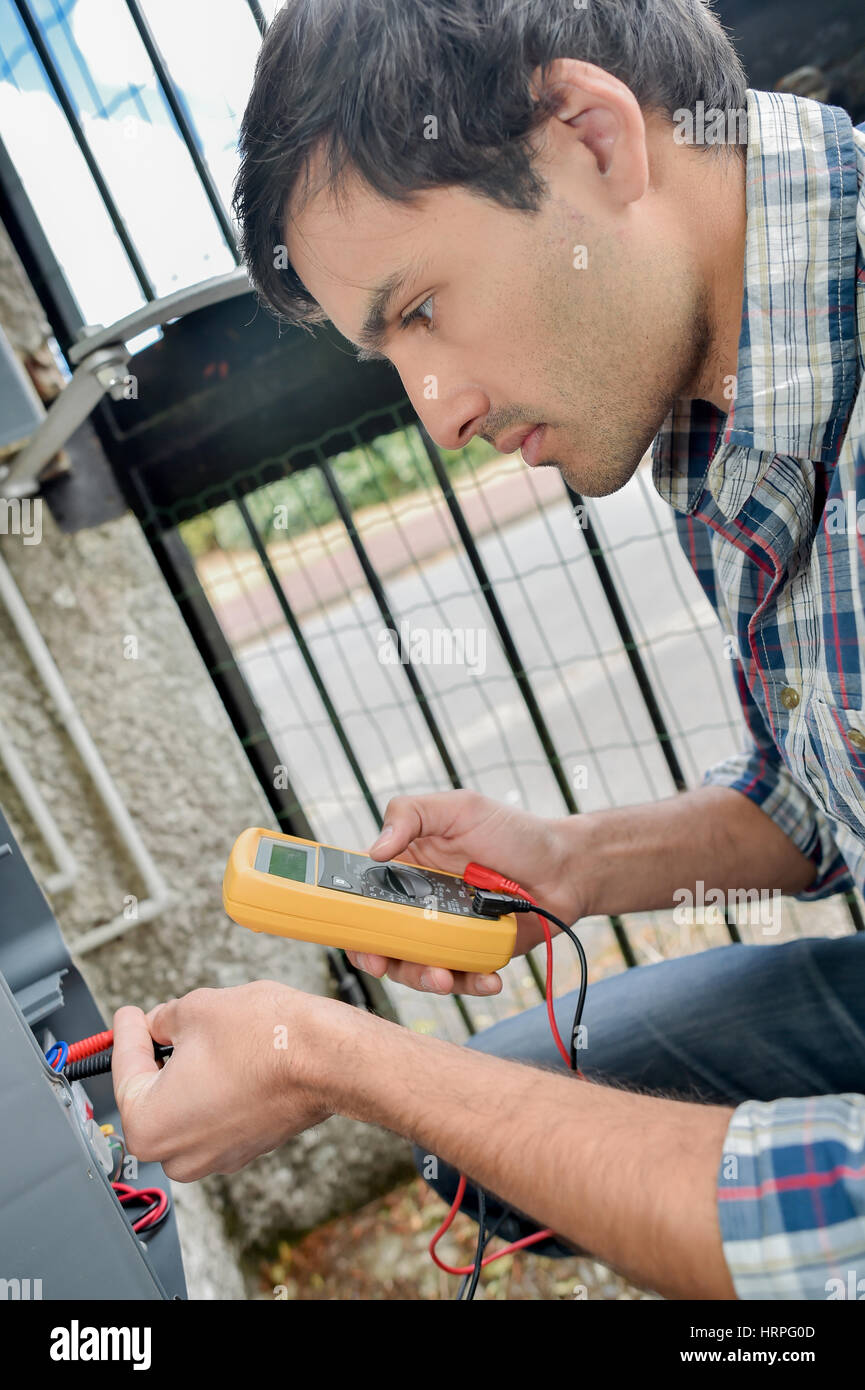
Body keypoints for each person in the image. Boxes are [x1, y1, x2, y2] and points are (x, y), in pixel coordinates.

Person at [113, 0, 865, 1299]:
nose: (440, 410)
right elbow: (815, 796)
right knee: (499, 1129)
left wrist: (324, 1052)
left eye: (421, 309)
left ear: (590, 136)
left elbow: (834, 1214)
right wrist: (561, 861)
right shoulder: (709, 403)